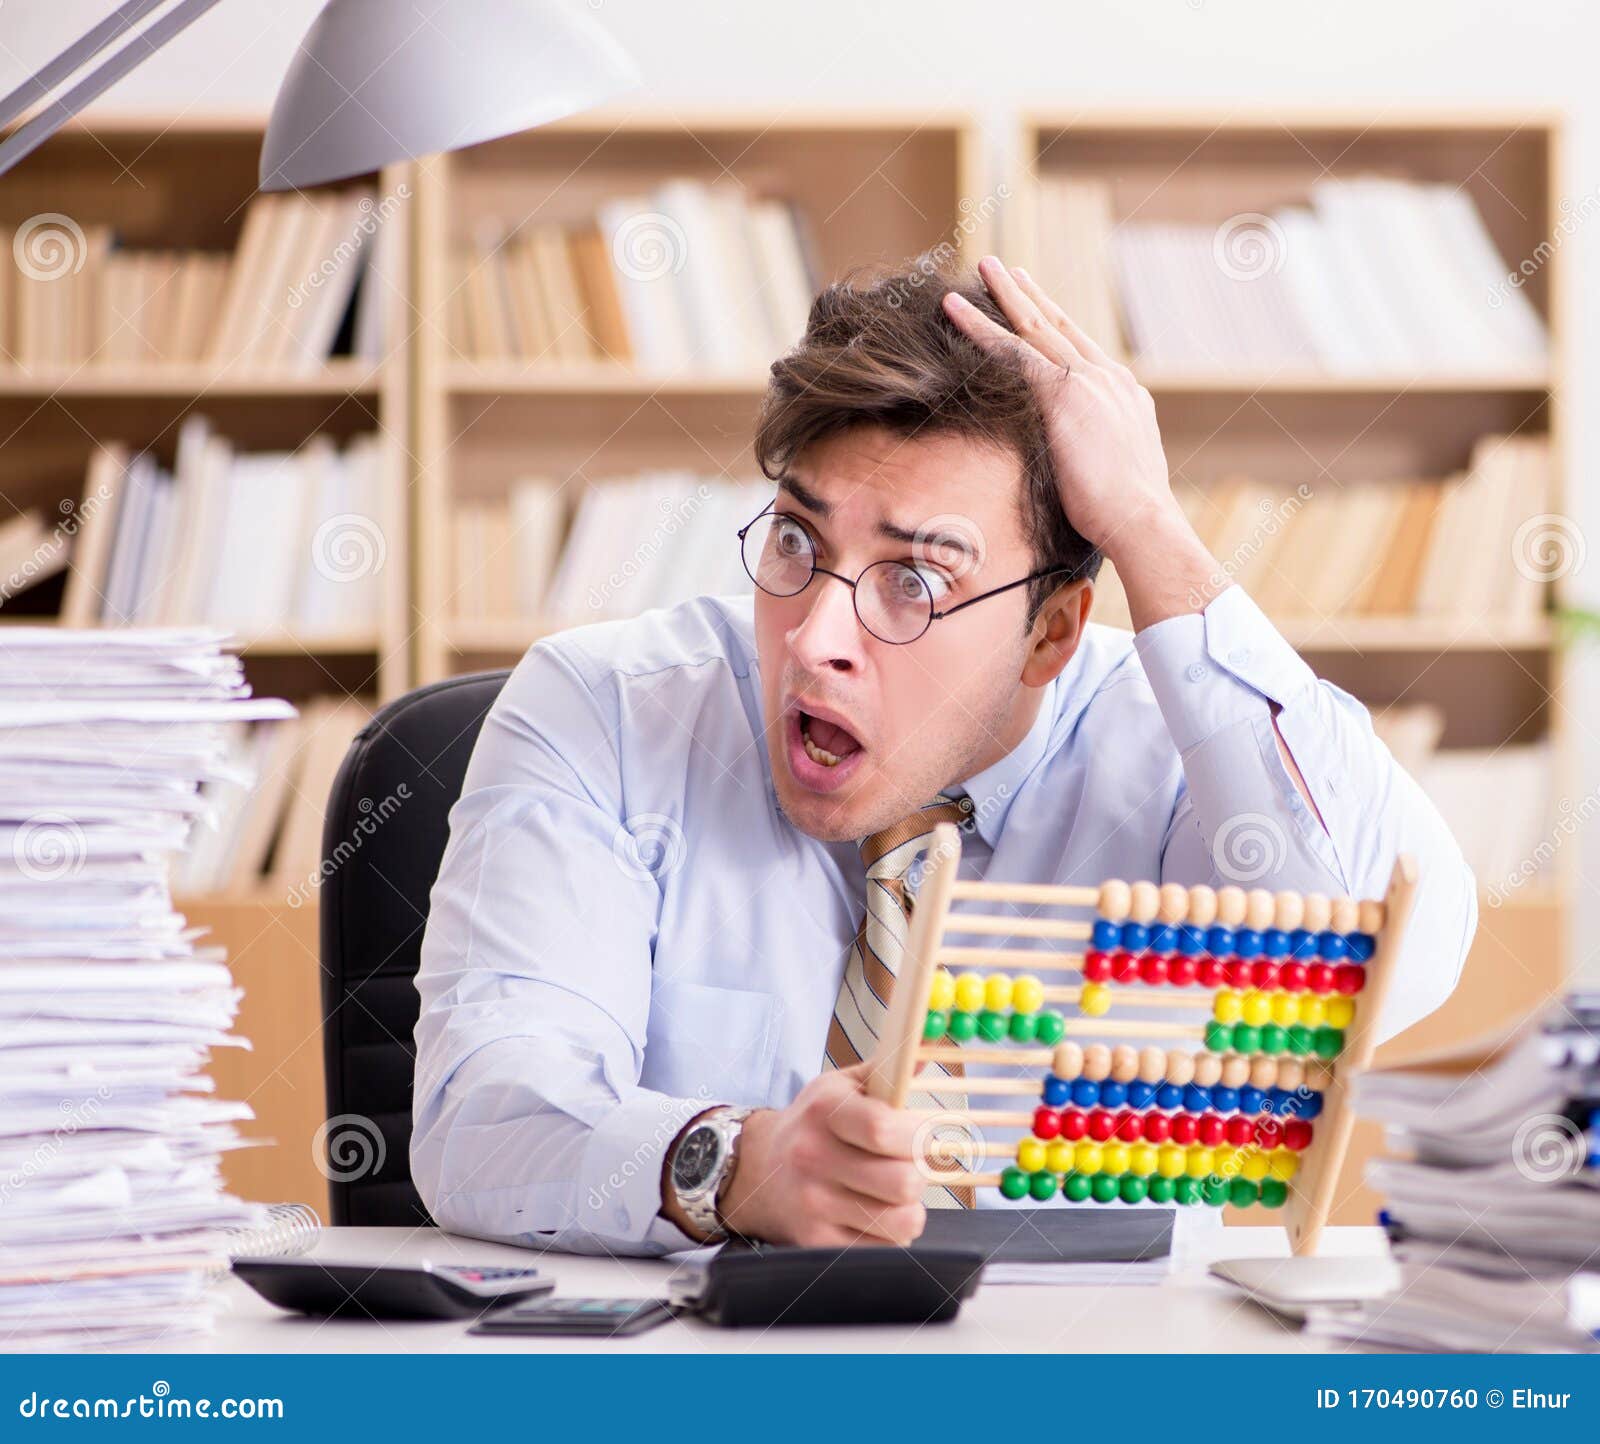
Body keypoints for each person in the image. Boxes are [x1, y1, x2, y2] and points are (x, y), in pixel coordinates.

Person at [411, 253, 1475, 1257]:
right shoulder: (606, 709)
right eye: (797, 542)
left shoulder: (1178, 758)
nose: (817, 635)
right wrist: (738, 1163)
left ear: (1052, 631)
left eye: (913, 579)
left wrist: (1150, 527)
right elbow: (480, 1118)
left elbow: (1369, 959)